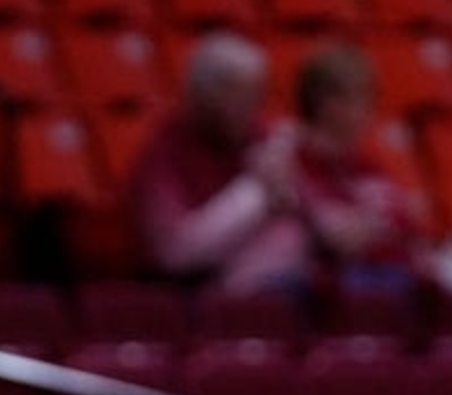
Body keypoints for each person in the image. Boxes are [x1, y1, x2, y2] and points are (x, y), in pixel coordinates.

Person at [288, 43, 452, 336]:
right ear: (327, 103)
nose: (369, 110)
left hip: (400, 275)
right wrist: (378, 228)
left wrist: (410, 240)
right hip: (346, 287)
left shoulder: (366, 167)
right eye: (361, 98)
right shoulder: (294, 161)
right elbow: (342, 240)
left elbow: (406, 227)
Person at [131, 31, 315, 296]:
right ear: (202, 94)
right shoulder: (164, 154)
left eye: (256, 96)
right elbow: (173, 254)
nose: (251, 108)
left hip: (268, 284)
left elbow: (303, 221)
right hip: (191, 300)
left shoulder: (258, 138)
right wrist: (254, 192)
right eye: (238, 95)